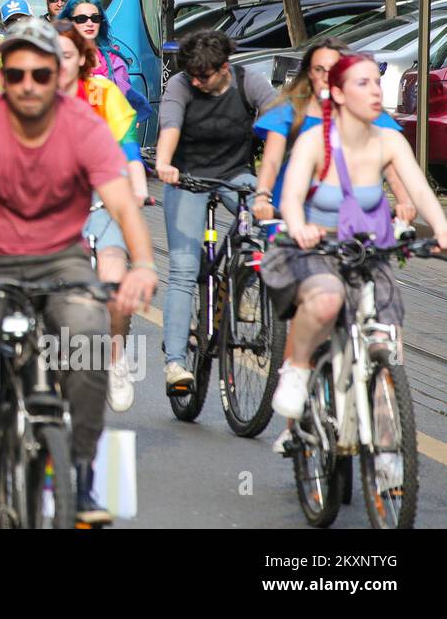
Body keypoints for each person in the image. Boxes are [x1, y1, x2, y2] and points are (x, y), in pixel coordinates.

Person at [0, 17, 158, 528]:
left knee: (90, 348)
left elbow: (123, 204)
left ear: (58, 75)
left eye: (40, 74)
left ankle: (81, 474)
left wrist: (143, 265)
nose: (28, 85)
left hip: (61, 258)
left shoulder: (83, 126)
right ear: (1, 77)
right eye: (15, 75)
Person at [267, 53, 447, 421]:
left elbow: (421, 191)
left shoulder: (388, 140)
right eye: (362, 84)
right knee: (326, 300)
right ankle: (297, 369)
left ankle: (386, 446)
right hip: (316, 248)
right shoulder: (316, 139)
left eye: (377, 83)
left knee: (386, 339)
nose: (375, 91)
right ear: (338, 93)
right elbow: (291, 198)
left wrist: (442, 230)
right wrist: (300, 226)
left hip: (366, 251)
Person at [154, 29, 275, 393]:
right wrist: (163, 163)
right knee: (183, 270)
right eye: (191, 74)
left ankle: (245, 282)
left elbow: (277, 127)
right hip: (186, 177)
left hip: (235, 176)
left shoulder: (248, 82)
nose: (196, 81)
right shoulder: (180, 86)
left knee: (269, 227)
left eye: (202, 75)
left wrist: (270, 185)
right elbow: (170, 124)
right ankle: (175, 363)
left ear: (223, 67)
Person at [54, 19, 149, 412]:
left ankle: (115, 359)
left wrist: (138, 184)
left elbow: (127, 148)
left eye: (66, 55)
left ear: (82, 59)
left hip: (99, 197)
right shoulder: (26, 94)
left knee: (113, 281)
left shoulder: (102, 92)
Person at [254, 38, 412, 225]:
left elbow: (390, 167)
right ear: (309, 73)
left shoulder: (369, 114)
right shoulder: (288, 113)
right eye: (319, 69)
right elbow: (271, 161)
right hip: (291, 215)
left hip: (357, 218)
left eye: (333, 69)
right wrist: (263, 196)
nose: (325, 77)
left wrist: (405, 201)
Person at [60, 0, 131, 94]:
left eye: (95, 18)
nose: (90, 23)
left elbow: (126, 101)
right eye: (81, 19)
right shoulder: (56, 58)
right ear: (69, 22)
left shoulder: (114, 62)